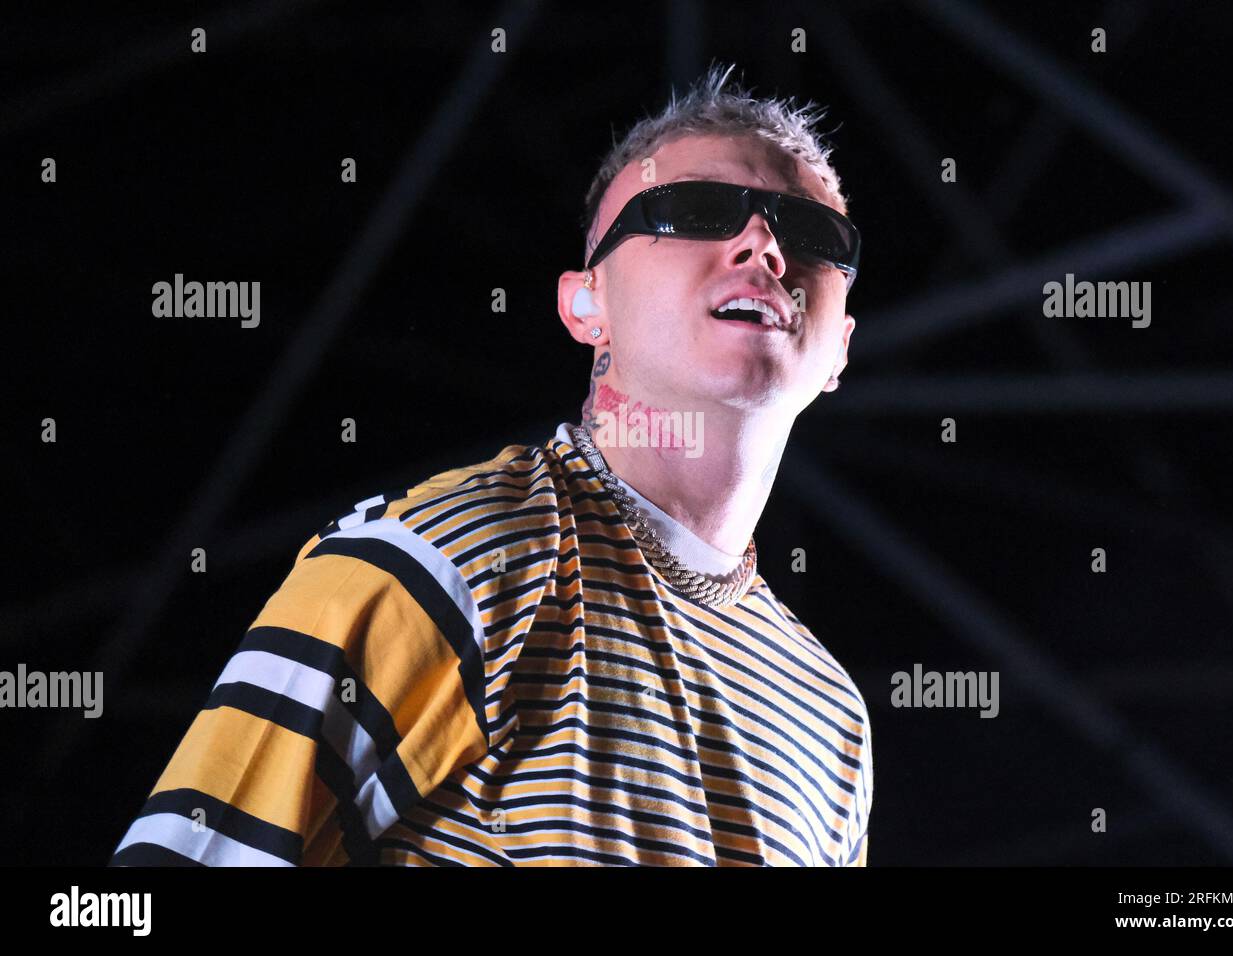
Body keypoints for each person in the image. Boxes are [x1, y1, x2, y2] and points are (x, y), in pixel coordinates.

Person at [110, 62, 872, 867]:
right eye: (696, 211)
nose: (762, 244)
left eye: (811, 234)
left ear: (840, 353)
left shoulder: (834, 716)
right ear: (586, 306)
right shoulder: (446, 557)